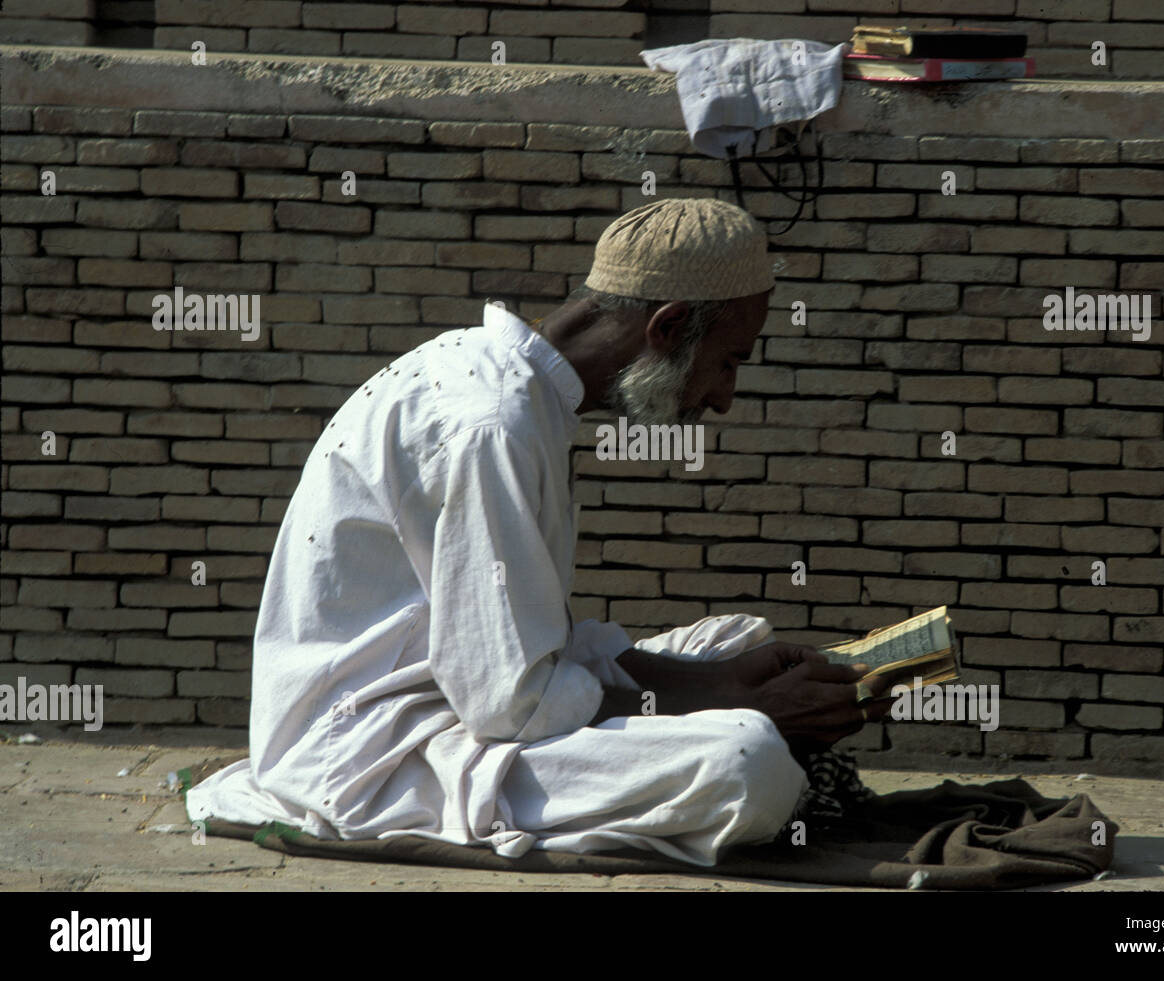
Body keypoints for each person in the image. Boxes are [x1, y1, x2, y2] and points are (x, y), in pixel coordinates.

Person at [186, 198, 889, 867]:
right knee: (746, 762)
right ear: (669, 328)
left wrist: (726, 678)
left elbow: (531, 646)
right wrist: (739, 703)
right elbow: (512, 703)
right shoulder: (493, 422)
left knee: (740, 643)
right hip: (378, 752)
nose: (723, 398)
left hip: (458, 699)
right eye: (730, 361)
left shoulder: (523, 398)